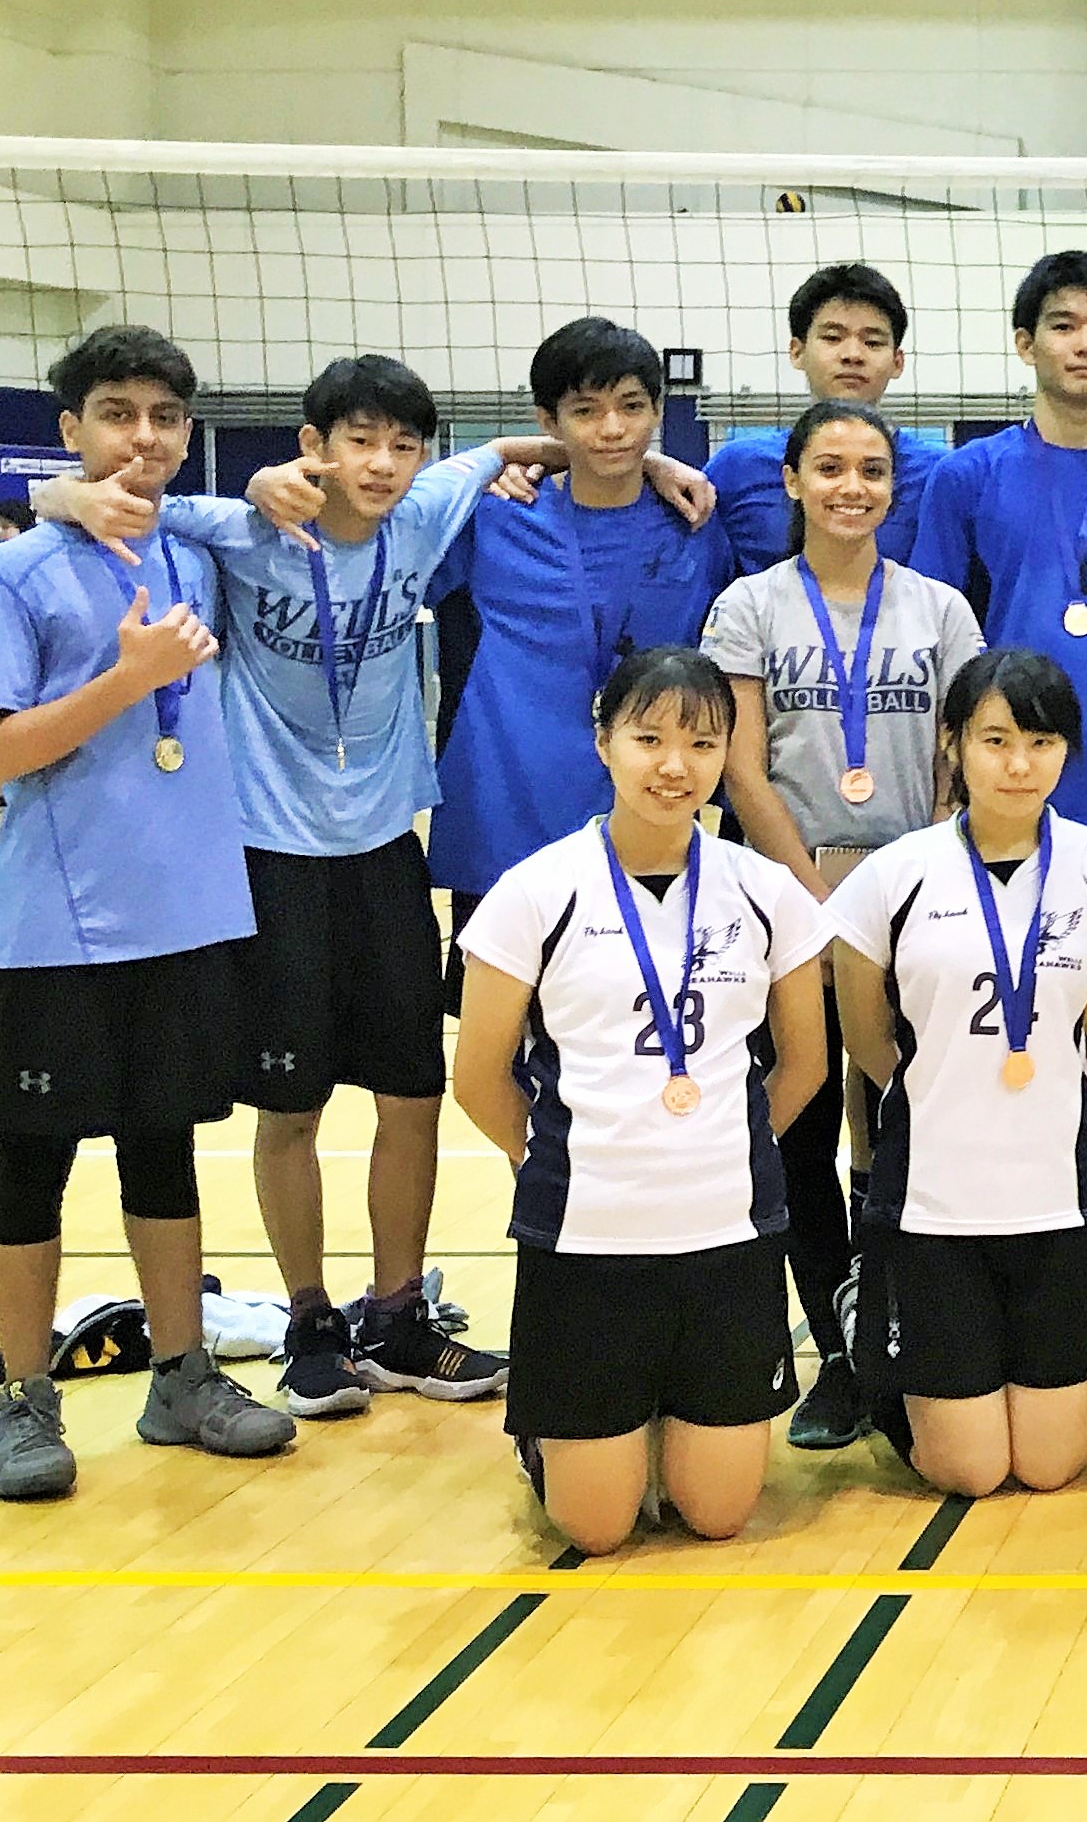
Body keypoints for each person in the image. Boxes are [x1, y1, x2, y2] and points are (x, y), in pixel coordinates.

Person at [30, 355, 554, 1419]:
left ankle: (398, 1313)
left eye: (405, 443)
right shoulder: (240, 526)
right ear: (311, 445)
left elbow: (507, 450)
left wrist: (655, 469)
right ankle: (312, 1319)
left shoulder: (424, 507)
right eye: (359, 438)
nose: (384, 462)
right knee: (292, 1103)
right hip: (268, 851)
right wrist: (88, 489)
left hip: (383, 850)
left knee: (412, 1092)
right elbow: (92, 493)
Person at [0, 326, 299, 1499]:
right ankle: (22, 1399)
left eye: (163, 415)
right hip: (63, 920)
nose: (140, 437)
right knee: (34, 1156)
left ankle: (181, 1376)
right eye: (115, 412)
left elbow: (258, 510)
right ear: (70, 429)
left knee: (165, 1149)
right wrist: (127, 677)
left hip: (190, 910)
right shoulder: (17, 575)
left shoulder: (192, 552)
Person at [450, 649, 832, 1552]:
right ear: (603, 740)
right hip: (587, 1241)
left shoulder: (766, 891)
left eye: (702, 743)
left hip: (725, 1236)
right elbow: (477, 1078)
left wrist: (724, 1147)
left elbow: (805, 1067)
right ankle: (561, 1435)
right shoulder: (534, 891)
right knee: (597, 1528)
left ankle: (659, 1419)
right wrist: (565, 1154)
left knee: (718, 1514)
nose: (674, 765)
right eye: (648, 737)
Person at [703, 397, 986, 1449]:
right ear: (791, 480)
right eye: (829, 467)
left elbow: (963, 755)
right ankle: (833, 1350)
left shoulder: (942, 610)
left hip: (914, 901)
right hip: (787, 903)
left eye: (871, 468)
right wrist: (811, 897)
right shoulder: (748, 605)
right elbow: (737, 758)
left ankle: (904, 1336)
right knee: (806, 1125)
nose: (852, 486)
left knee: (903, 1121)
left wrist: (908, 891)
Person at [829, 648, 1087, 1496]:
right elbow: (869, 1037)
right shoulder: (891, 877)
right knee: (970, 1471)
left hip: (1054, 1197)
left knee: (1051, 1466)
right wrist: (937, 1084)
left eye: (1041, 742)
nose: (1019, 764)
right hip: (936, 1205)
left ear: (1066, 752)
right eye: (995, 739)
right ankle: (877, 1324)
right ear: (953, 744)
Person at [429, 317, 731, 939]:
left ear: (657, 412)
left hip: (646, 813)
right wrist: (496, 459)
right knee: (501, 1025)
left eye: (632, 407)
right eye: (586, 410)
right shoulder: (496, 515)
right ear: (549, 421)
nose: (613, 428)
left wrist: (656, 465)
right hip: (506, 811)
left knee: (639, 1017)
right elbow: (391, 528)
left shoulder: (694, 526)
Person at [911, 250, 1087, 843]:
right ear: (1025, 343)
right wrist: (944, 792)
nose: (1086, 344)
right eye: (1064, 325)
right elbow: (936, 648)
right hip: (1005, 795)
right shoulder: (967, 477)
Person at [706, 263, 946, 572]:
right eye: (833, 337)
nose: (852, 354)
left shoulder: (939, 474)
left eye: (872, 342)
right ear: (797, 352)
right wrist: (654, 464)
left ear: (897, 361)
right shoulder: (736, 468)